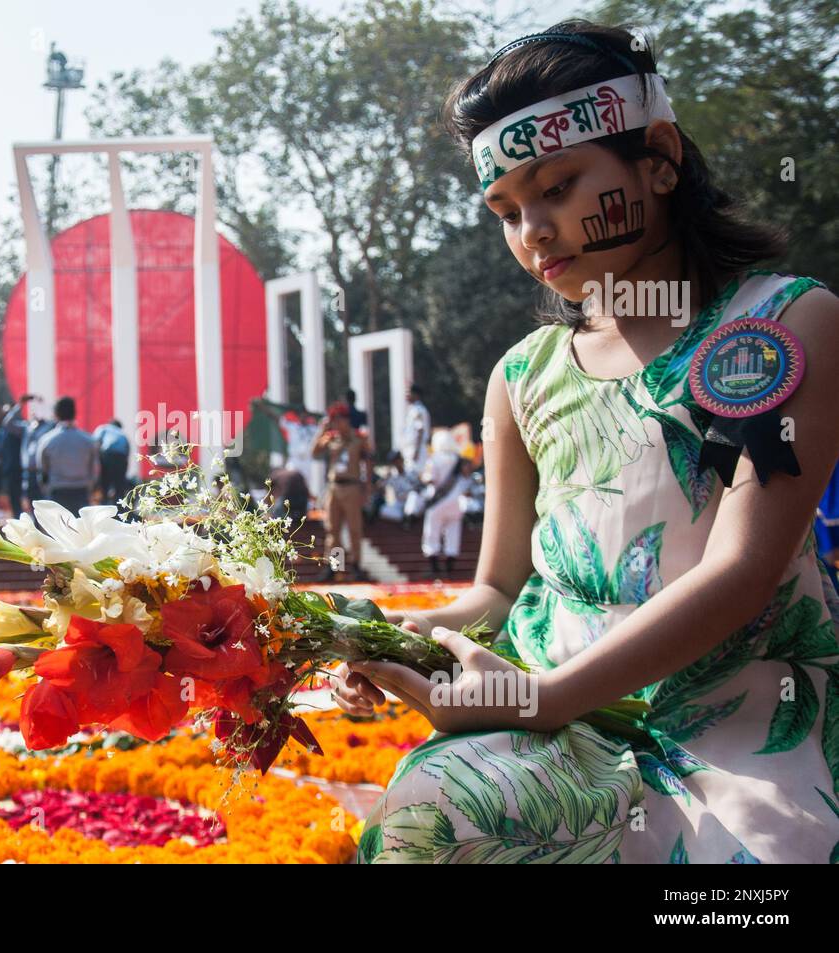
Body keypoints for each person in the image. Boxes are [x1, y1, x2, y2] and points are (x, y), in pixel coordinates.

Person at [333, 22, 839, 864]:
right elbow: (497, 588)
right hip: (559, 742)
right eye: (506, 210)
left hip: (747, 744)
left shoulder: (782, 322)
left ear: (661, 157)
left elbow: (742, 572)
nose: (532, 230)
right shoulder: (521, 378)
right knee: (432, 815)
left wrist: (543, 698)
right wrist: (377, 634)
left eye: (559, 186)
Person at [312, 402, 371, 582]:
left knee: (354, 529)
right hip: (334, 487)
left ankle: (356, 565)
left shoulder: (359, 438)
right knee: (333, 530)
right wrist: (322, 431)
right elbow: (314, 453)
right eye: (333, 421)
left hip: (352, 486)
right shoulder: (330, 438)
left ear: (346, 420)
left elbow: (368, 461)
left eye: (338, 420)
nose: (335, 424)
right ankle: (336, 566)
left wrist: (367, 488)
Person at [416, 430, 470, 578]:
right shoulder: (459, 459)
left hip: (438, 501)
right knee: (453, 531)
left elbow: (430, 479)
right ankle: (450, 566)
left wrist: (422, 477)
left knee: (432, 531)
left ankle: (434, 568)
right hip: (456, 501)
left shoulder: (434, 458)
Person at [36, 396, 97, 516]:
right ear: (75, 413)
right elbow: (95, 469)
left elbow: (42, 470)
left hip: (57, 492)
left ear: (56, 414)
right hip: (81, 492)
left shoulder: (47, 440)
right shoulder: (88, 440)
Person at [20, 406, 55, 512]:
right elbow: (9, 423)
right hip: (28, 472)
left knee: (43, 501)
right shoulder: (28, 427)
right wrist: (21, 405)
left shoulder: (48, 427)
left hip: (41, 471)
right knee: (31, 501)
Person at [0, 396, 28, 517]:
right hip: (10, 469)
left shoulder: (20, 428)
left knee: (21, 498)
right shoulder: (4, 431)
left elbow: (8, 422)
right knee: (13, 498)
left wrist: (19, 406)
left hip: (19, 468)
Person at [93, 418, 131, 505]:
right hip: (121, 458)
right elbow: (127, 452)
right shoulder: (122, 434)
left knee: (104, 484)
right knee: (119, 487)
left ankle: (104, 505)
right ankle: (119, 509)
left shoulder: (103, 428)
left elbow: (95, 443)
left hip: (107, 455)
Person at [401, 385, 431, 474]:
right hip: (411, 449)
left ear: (416, 395)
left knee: (415, 476)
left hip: (417, 449)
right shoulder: (412, 409)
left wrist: (416, 452)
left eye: (409, 393)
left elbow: (420, 430)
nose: (406, 395)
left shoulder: (418, 410)